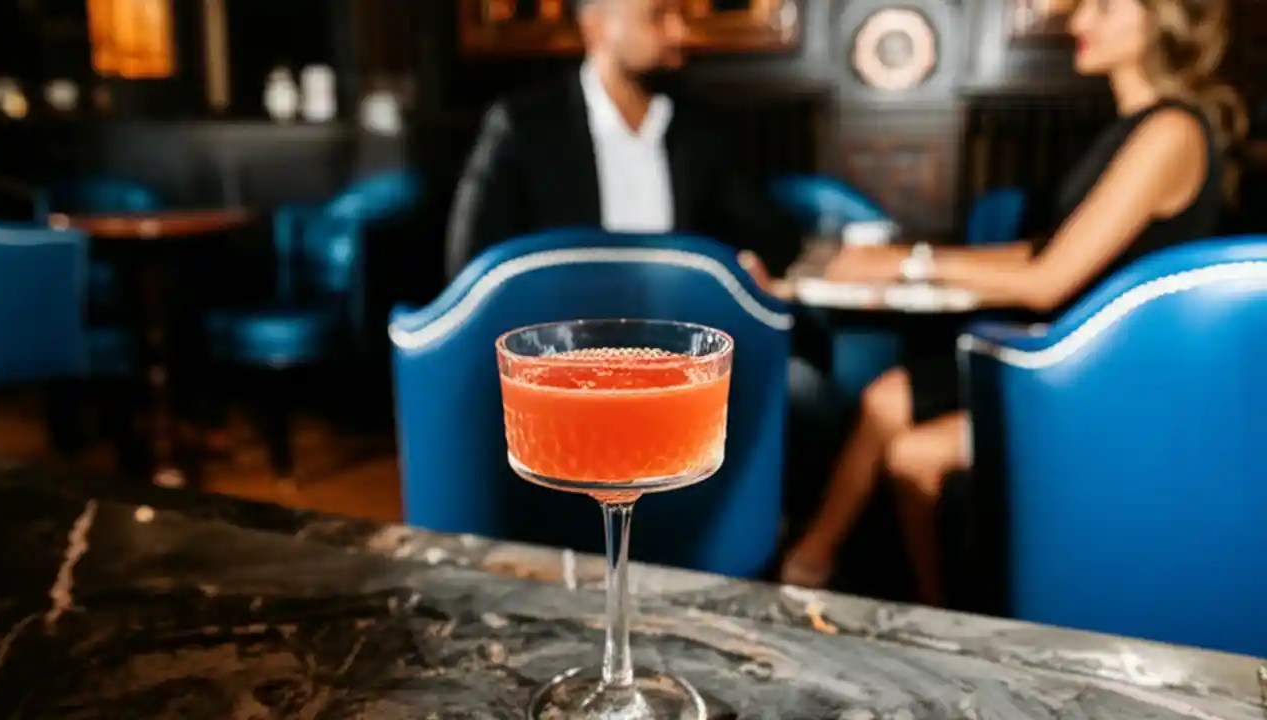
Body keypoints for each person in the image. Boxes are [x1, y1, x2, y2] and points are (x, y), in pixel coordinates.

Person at [780, 0, 1245, 603]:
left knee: (913, 454)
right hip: (1067, 359)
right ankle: (811, 564)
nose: (1078, 23)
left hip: (1120, 385)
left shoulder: (1170, 131)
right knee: (886, 397)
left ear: (1161, 19)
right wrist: (905, 260)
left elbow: (1046, 281)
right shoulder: (1133, 128)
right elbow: (1039, 253)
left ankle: (945, 617)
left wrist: (907, 263)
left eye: (1102, 7)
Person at [445, 0, 798, 280]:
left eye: (679, 13)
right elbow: (469, 271)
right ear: (596, 27)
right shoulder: (522, 127)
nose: (680, 32)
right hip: (566, 352)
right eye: (658, 16)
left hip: (680, 350)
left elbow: (771, 238)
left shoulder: (698, 127)